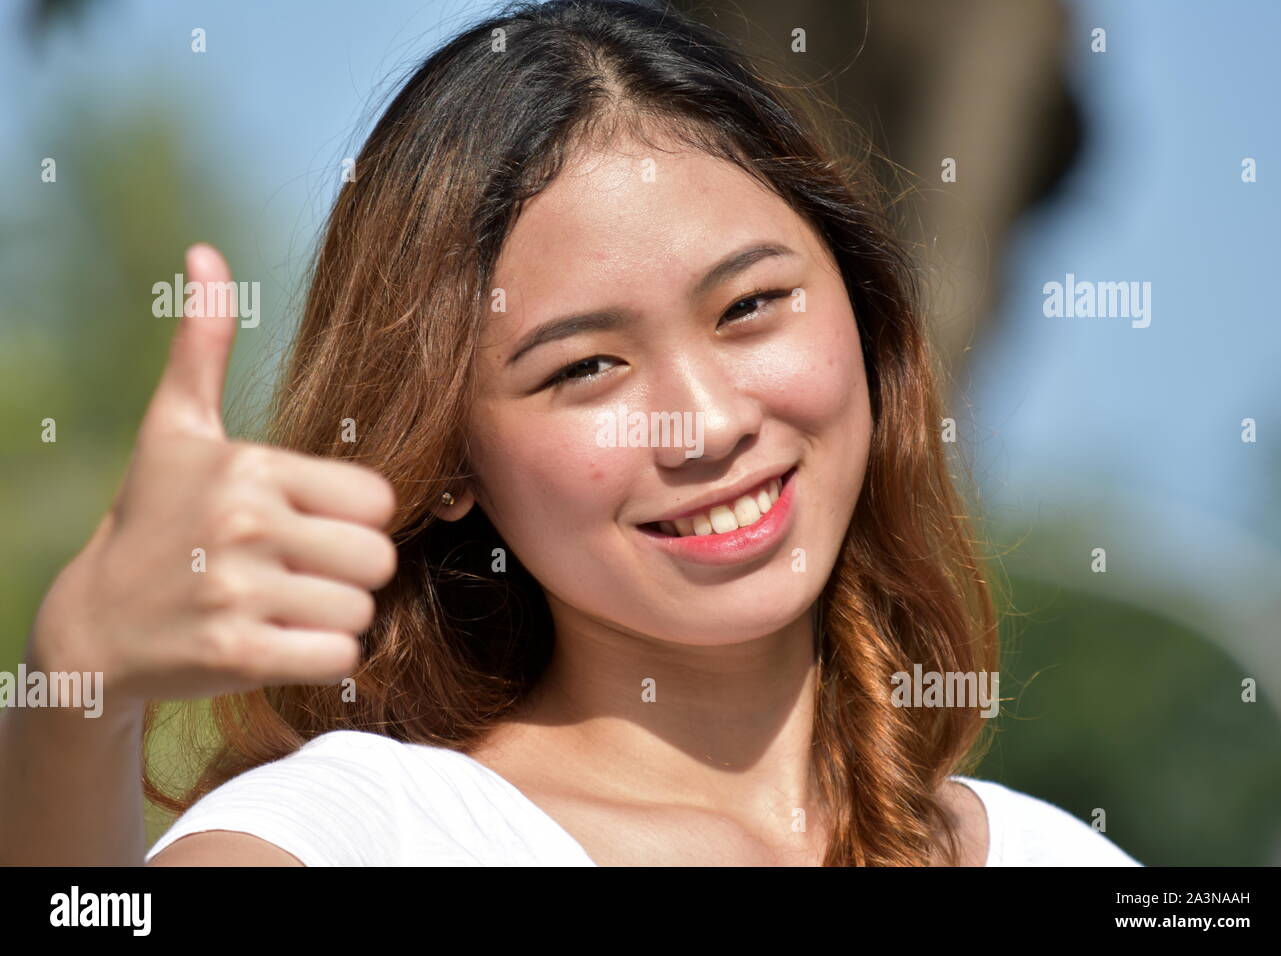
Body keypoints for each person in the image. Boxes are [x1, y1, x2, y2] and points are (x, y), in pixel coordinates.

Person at [0, 0, 1139, 867]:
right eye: (585, 367)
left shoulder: (1064, 855)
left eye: (749, 307)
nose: (703, 423)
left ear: (865, 312)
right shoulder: (362, 831)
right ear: (446, 457)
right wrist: (77, 690)